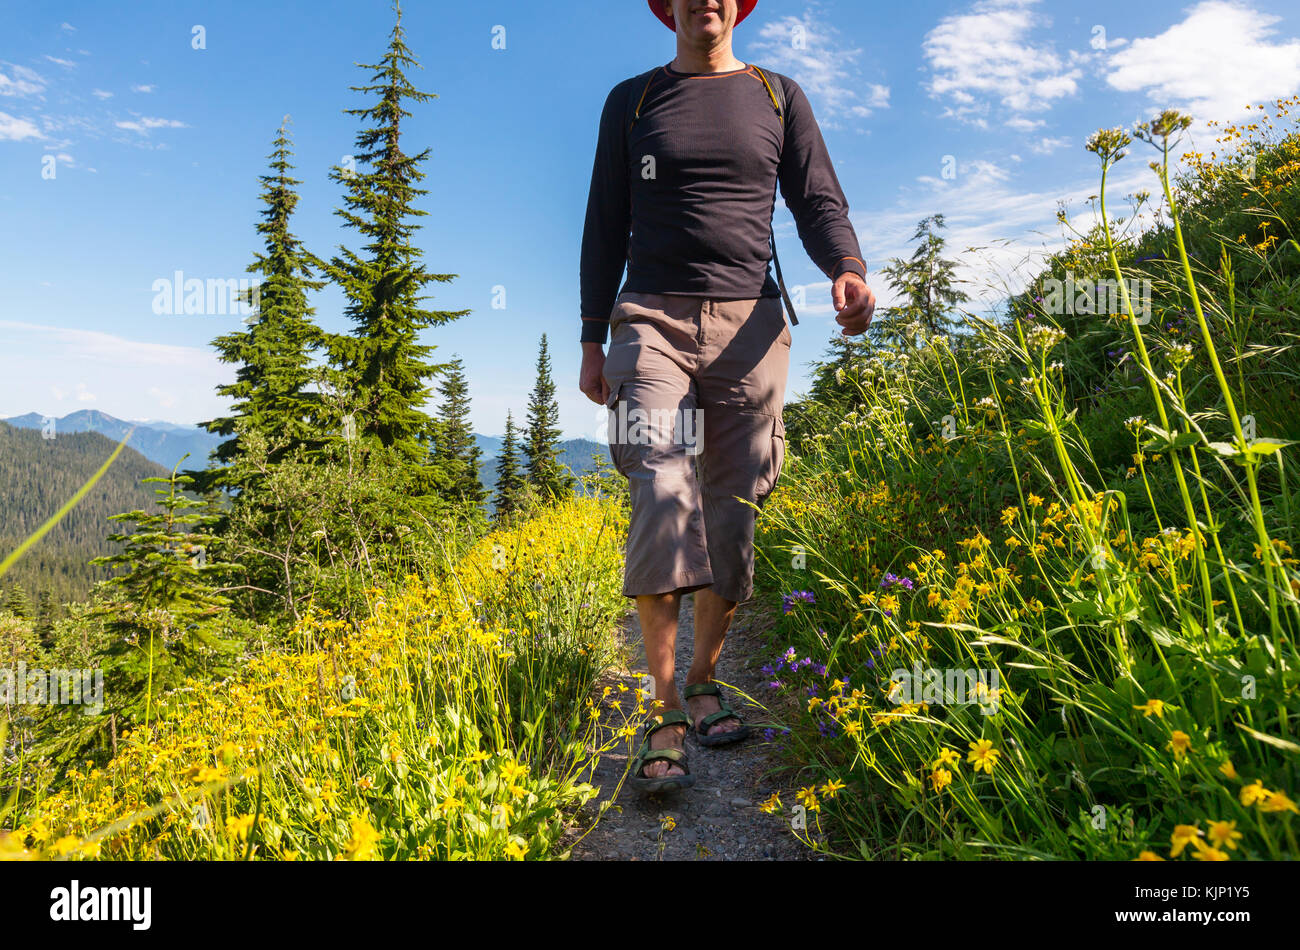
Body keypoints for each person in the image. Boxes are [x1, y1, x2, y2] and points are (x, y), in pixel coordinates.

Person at [578, 0, 875, 792]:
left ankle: (705, 678)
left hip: (753, 323)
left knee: (732, 507)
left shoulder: (777, 95)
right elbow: (604, 221)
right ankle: (666, 708)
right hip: (650, 319)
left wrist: (845, 267)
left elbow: (818, 199)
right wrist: (591, 337)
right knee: (660, 484)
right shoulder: (633, 100)